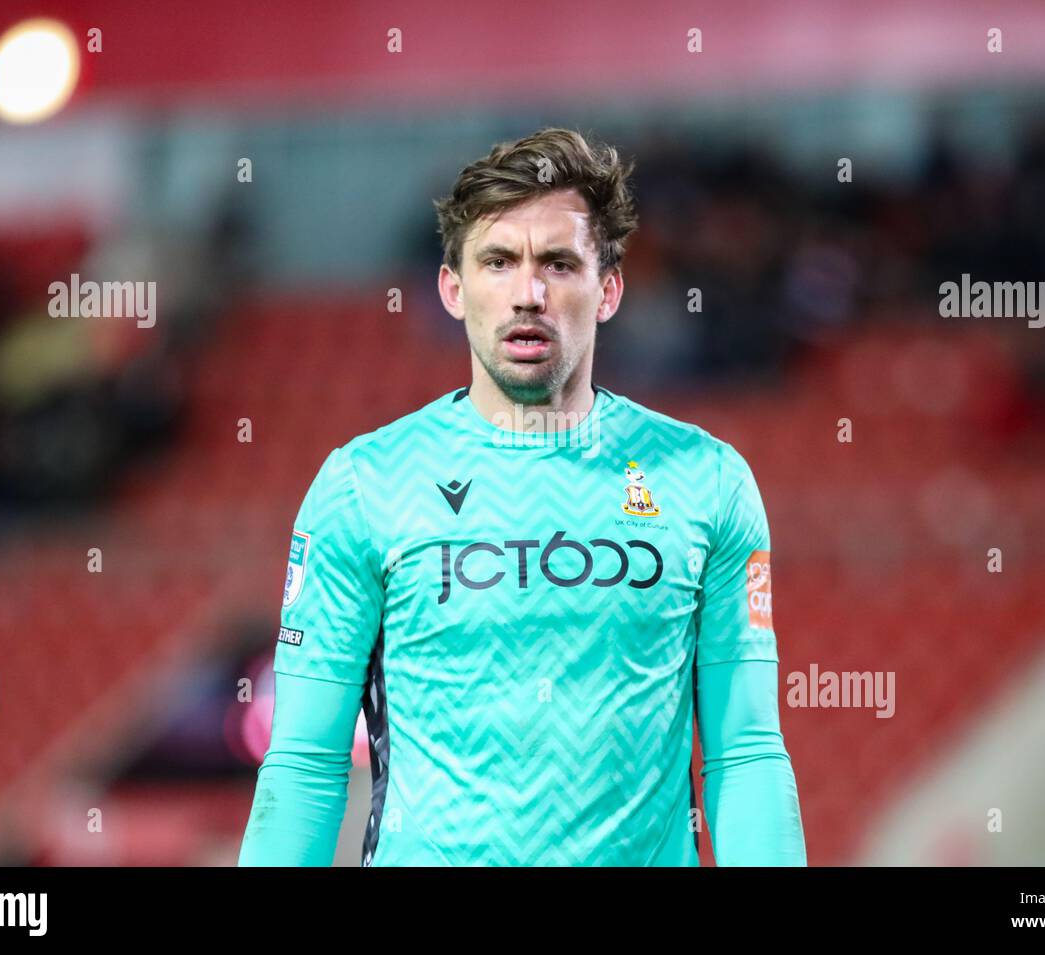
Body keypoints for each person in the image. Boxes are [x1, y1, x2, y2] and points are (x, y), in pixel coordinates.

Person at [238, 128, 806, 866]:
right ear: (453, 289)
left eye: (559, 264)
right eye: (498, 262)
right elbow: (306, 764)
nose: (528, 293)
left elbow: (748, 754)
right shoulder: (363, 486)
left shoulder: (705, 479)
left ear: (609, 290)